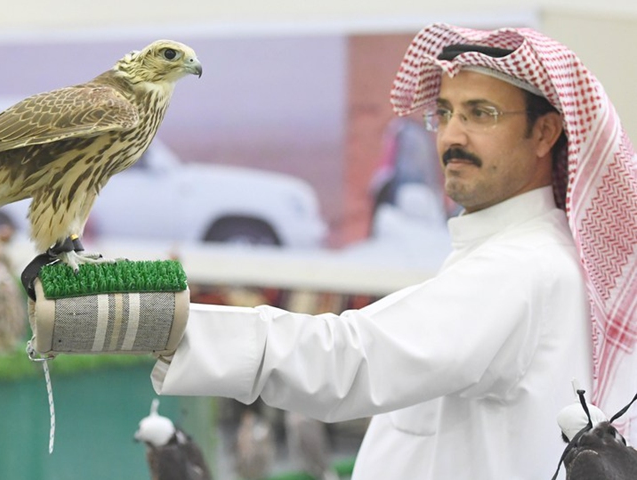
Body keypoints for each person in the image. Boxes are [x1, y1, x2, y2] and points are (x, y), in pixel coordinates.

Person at [148, 24, 637, 478]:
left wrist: (160, 325)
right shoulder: (519, 251)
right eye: (444, 113)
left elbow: (349, 362)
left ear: (545, 133)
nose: (452, 135)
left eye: (480, 114)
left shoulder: (521, 268)